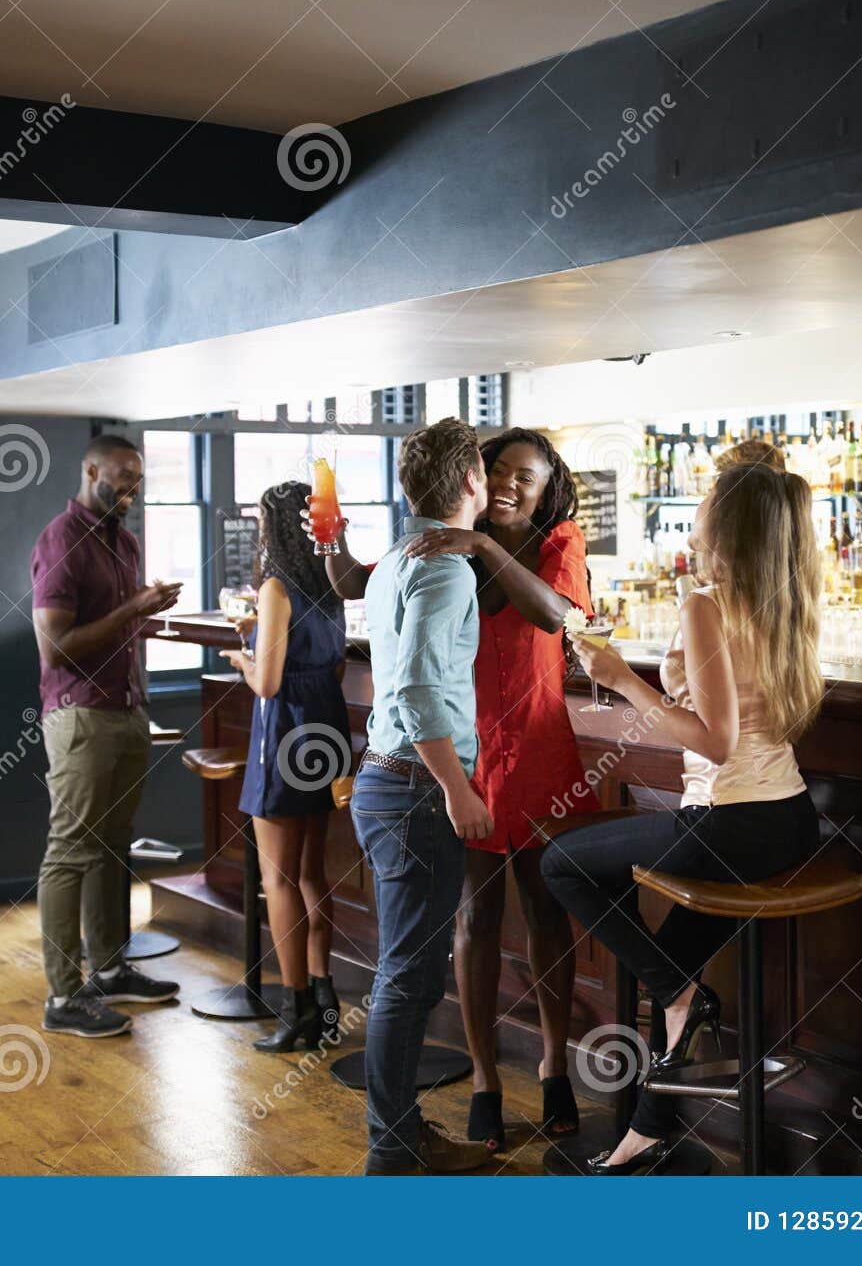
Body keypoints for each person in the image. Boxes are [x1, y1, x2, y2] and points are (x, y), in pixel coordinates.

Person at [541, 461, 825, 1174]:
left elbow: (716, 738)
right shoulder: (786, 600)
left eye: (706, 502)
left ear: (724, 522)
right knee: (678, 970)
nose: (696, 512)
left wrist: (619, 680)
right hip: (789, 821)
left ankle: (680, 994)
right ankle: (646, 1130)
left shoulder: (707, 603)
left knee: (561, 862)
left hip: (728, 822)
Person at [372, 427, 593, 1150]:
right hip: (463, 755)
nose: (507, 484)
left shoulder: (557, 542)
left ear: (547, 485)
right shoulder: (444, 549)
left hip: (536, 750)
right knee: (474, 920)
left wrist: (487, 548)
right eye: (497, 470)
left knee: (546, 913)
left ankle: (556, 1065)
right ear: (473, 477)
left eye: (525, 477)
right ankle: (484, 1078)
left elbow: (559, 616)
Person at [350, 418, 495, 1175]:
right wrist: (456, 786)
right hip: (413, 787)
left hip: (382, 781)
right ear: (471, 480)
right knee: (408, 981)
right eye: (484, 470)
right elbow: (413, 687)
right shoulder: (447, 568)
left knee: (406, 976)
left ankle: (401, 1136)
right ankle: (391, 1151)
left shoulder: (396, 559)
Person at [30, 434, 183, 1039]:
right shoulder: (61, 540)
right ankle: (64, 997)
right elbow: (56, 647)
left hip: (125, 711)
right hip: (80, 715)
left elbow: (118, 630)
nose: (132, 488)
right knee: (70, 851)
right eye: (122, 477)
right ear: (90, 468)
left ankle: (111, 969)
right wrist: (133, 609)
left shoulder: (124, 541)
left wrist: (141, 609)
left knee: (113, 849)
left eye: (138, 480)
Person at [219, 481, 351, 1053]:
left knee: (277, 877)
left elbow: (268, 685)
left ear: (271, 528)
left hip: (285, 735)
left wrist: (245, 658)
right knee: (312, 873)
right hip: (327, 730)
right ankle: (325, 1001)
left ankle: (294, 1007)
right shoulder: (333, 585)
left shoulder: (275, 587)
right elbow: (336, 666)